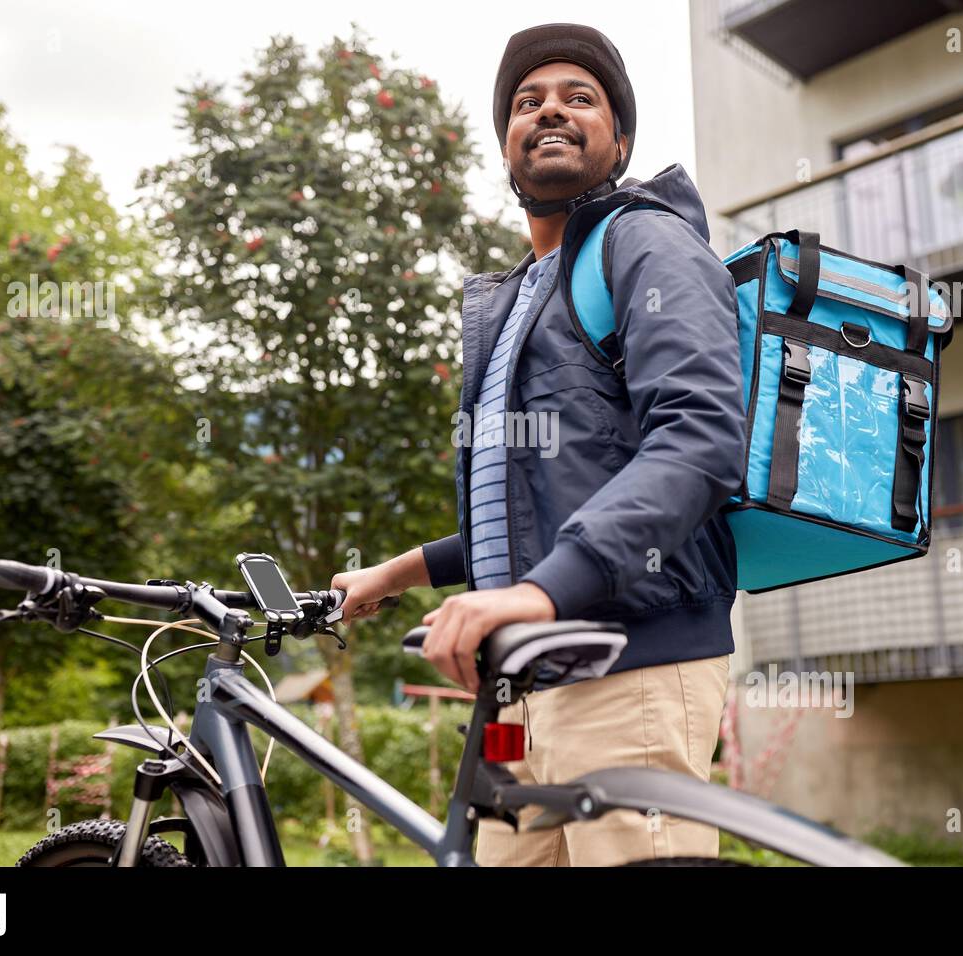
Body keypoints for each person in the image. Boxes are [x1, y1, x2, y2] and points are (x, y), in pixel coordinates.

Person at [332, 22, 745, 866]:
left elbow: (701, 438)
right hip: (519, 690)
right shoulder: (520, 294)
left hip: (627, 668)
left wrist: (539, 594)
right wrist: (400, 573)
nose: (550, 110)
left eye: (579, 98)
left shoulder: (645, 241)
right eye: (528, 102)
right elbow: (534, 504)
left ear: (619, 138)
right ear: (508, 144)